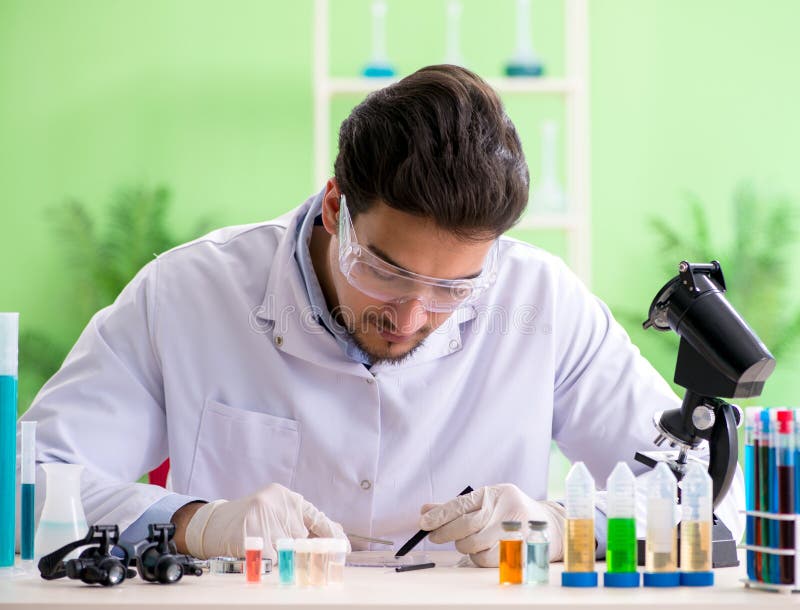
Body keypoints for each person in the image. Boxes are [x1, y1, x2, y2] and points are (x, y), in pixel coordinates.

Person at [19, 65, 743, 566]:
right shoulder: (187, 295)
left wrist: (562, 528)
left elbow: (713, 507)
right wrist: (194, 523)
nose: (414, 316)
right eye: (387, 273)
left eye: (455, 290)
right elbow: (30, 479)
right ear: (336, 208)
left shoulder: (541, 304)